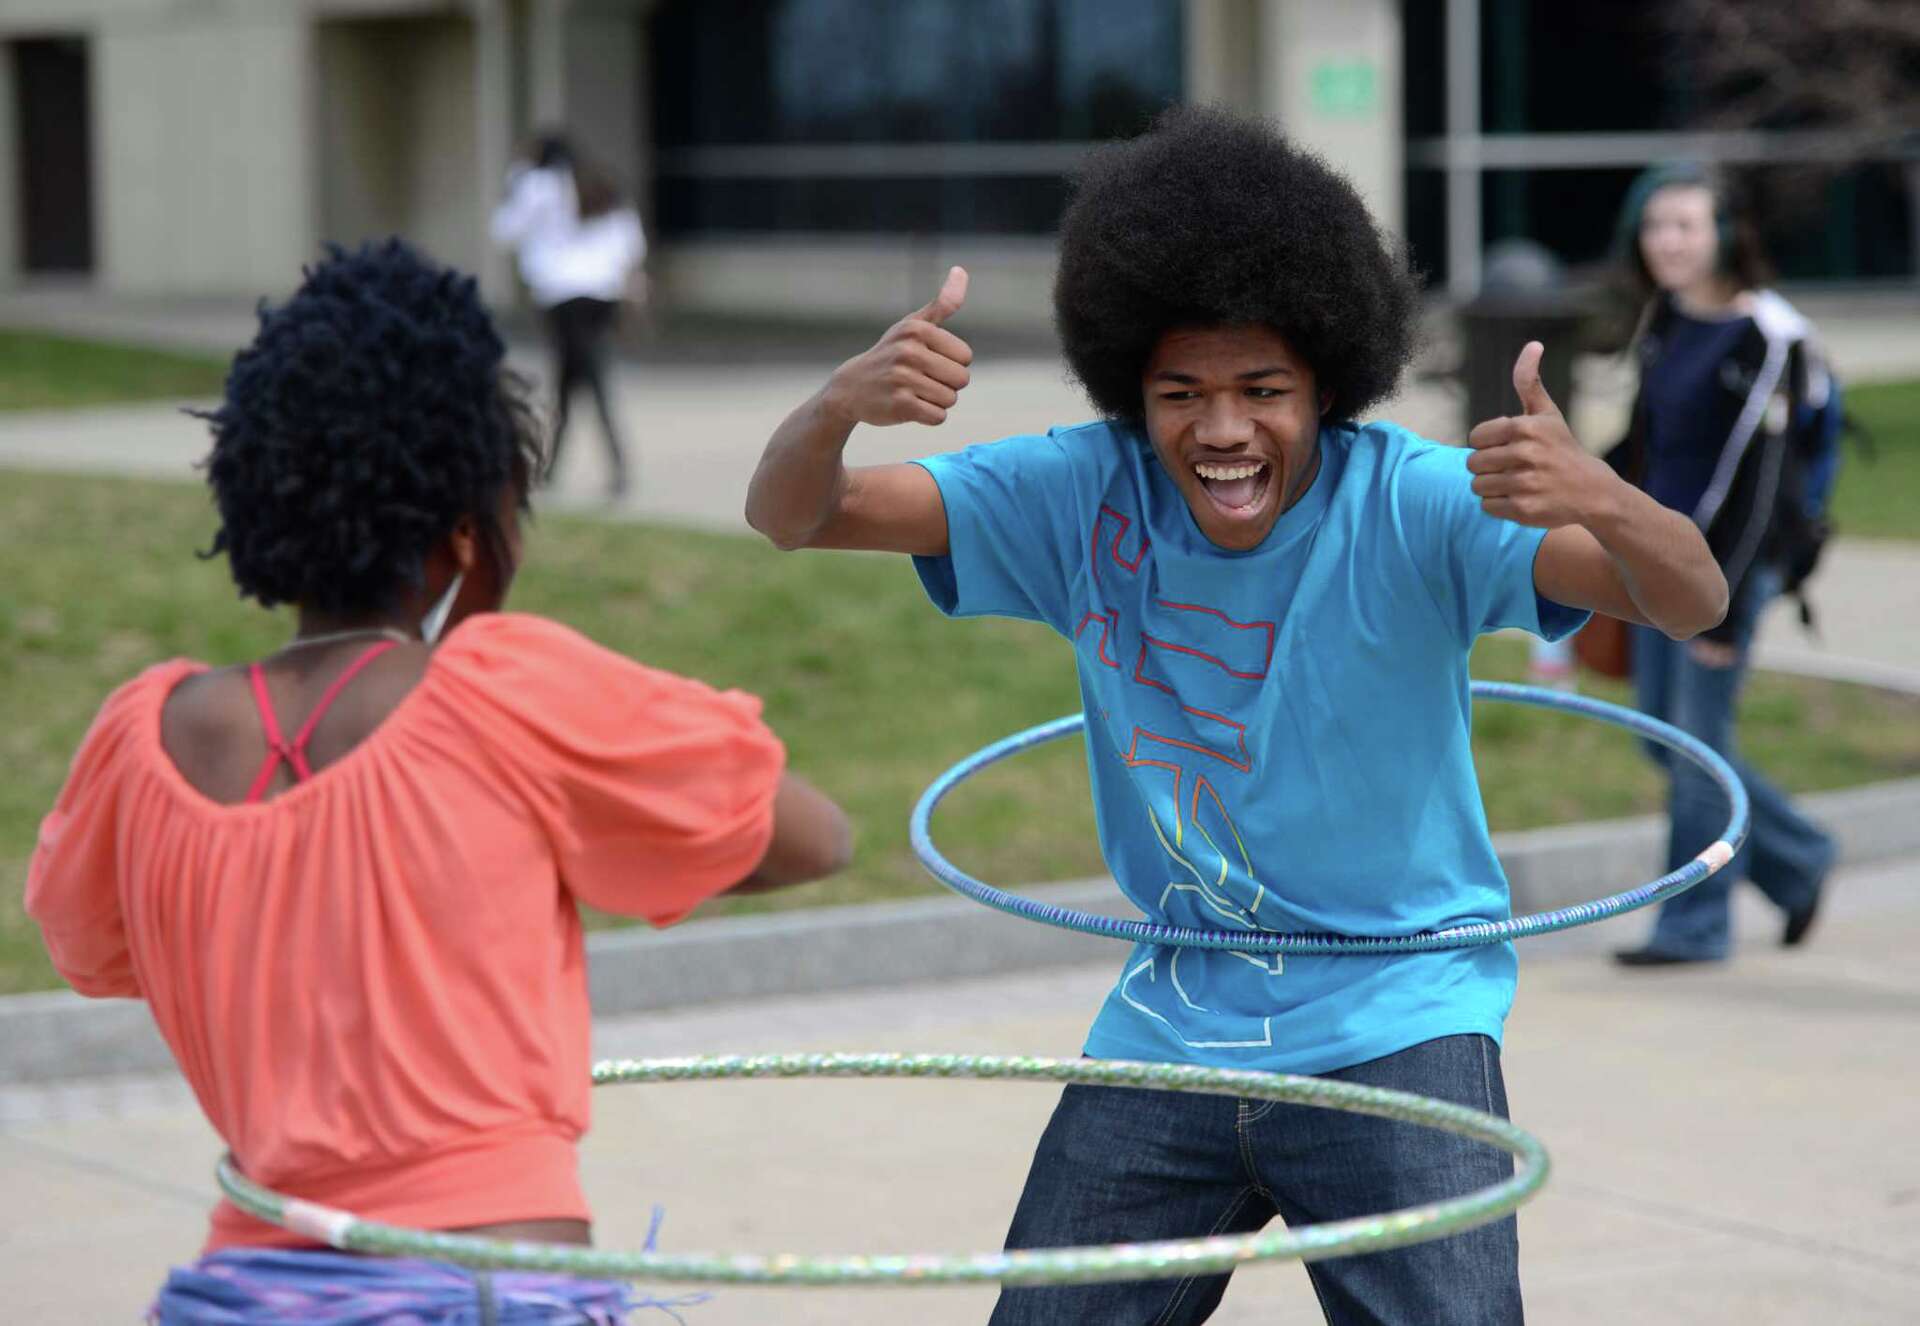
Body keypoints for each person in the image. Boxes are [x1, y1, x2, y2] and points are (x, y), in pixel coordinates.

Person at [746, 108, 1727, 1324]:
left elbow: (1690, 597)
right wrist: (839, 403)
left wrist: (1608, 501)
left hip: (1400, 1016)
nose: (1221, 432)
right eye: (1180, 393)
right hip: (1177, 1019)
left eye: (1264, 389)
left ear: (1328, 381)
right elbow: (793, 515)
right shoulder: (1077, 492)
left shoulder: (1415, 504)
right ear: (1130, 391)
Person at [25, 240, 851, 1323]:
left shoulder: (144, 740)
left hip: (240, 1293)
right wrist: (565, 824)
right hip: (481, 1290)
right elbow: (812, 835)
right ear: (472, 531)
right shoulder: (502, 696)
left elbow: (94, 948)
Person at [1605, 164, 1838, 968]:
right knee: (1661, 741)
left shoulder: (1767, 337)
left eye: (1685, 226)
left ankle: (1693, 928)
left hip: (1729, 570)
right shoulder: (1666, 317)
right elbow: (1647, 445)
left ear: (1726, 234)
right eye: (1653, 226)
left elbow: (1764, 491)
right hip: (1660, 560)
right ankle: (1801, 856)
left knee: (1697, 743)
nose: (1665, 241)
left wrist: (1727, 608)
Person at [491, 133, 645, 501]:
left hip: (562, 296)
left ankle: (616, 466)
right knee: (572, 379)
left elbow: (504, 231)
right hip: (603, 294)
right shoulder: (602, 183)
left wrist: (517, 179)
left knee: (589, 379)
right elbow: (630, 241)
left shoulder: (536, 186)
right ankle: (556, 466)